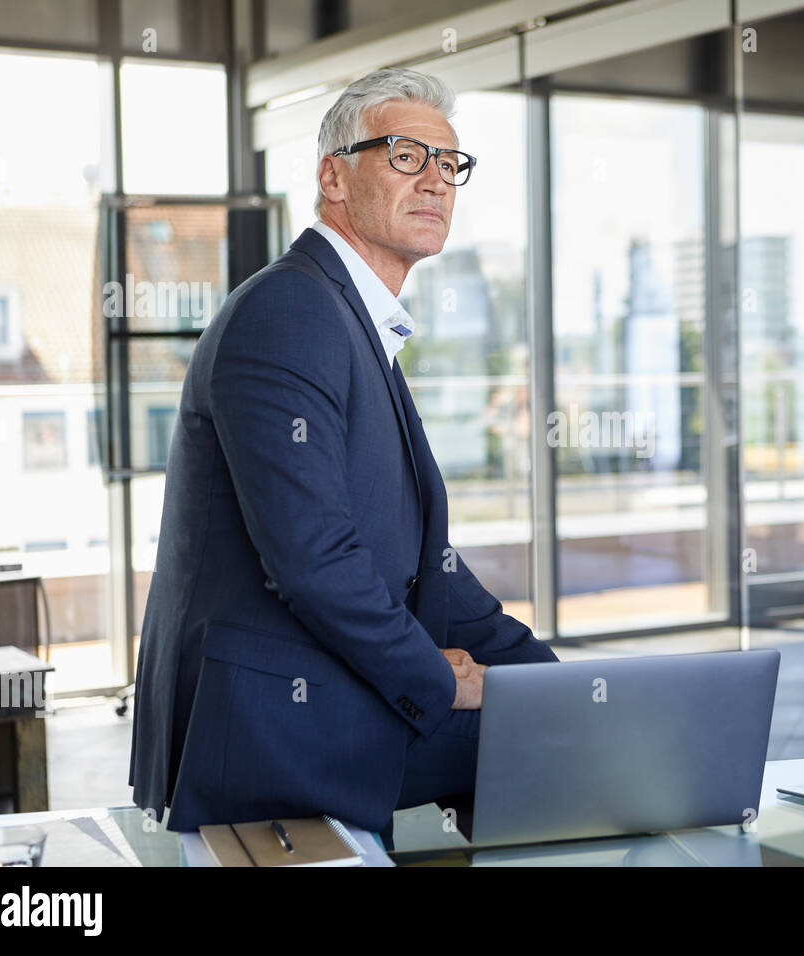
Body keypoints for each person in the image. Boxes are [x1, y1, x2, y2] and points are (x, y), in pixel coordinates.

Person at [128, 67, 557, 841]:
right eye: (404, 155)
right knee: (547, 745)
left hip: (325, 697)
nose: (435, 181)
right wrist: (442, 681)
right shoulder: (291, 309)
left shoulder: (352, 318)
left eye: (449, 164)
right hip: (273, 723)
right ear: (333, 175)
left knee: (559, 726)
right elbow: (312, 558)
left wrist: (548, 676)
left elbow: (426, 566)